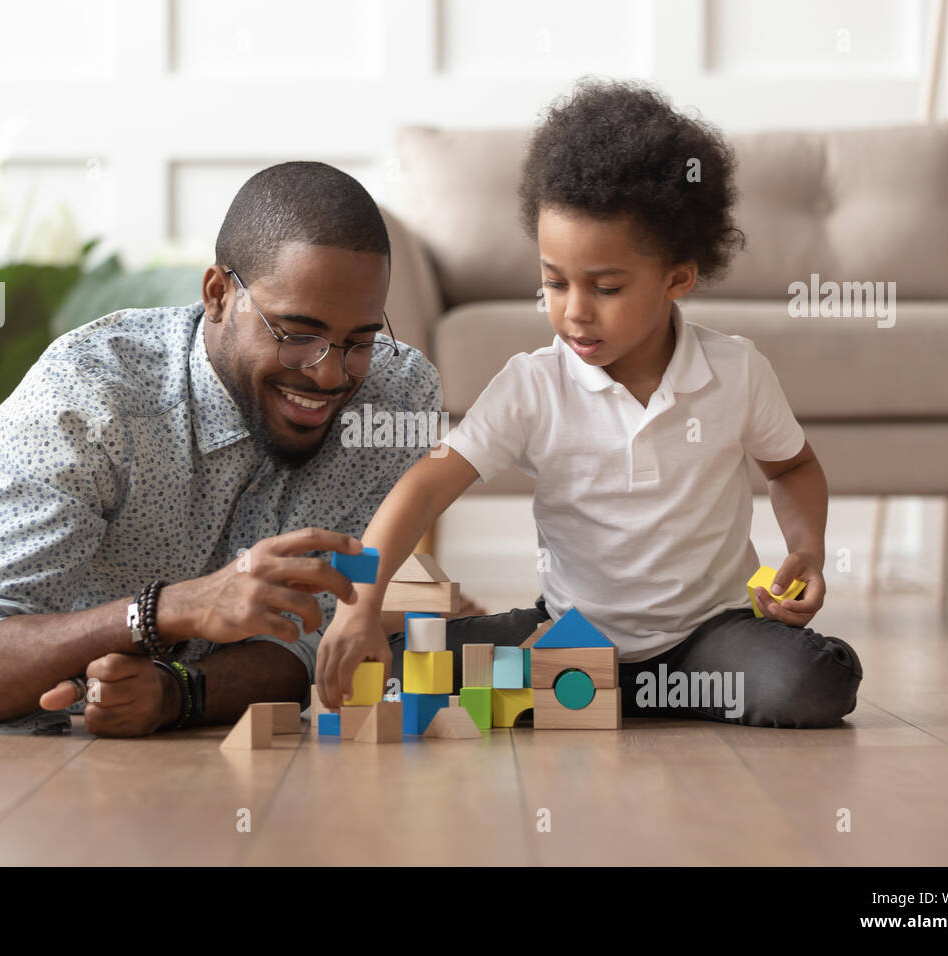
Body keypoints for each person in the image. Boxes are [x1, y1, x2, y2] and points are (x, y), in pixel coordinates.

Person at [0, 161, 443, 736]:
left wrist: (178, 692)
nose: (329, 373)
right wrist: (168, 610)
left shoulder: (394, 398)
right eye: (297, 331)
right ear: (218, 294)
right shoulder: (90, 392)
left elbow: (304, 639)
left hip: (124, 635)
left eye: (357, 340)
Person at [316, 79, 863, 728]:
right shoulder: (533, 385)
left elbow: (792, 468)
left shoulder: (735, 371)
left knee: (811, 684)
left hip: (709, 640)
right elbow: (426, 487)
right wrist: (358, 608)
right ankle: (586, 685)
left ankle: (587, 695)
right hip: (572, 633)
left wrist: (808, 550)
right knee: (402, 665)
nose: (573, 311)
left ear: (678, 277)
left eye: (605, 287)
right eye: (554, 282)